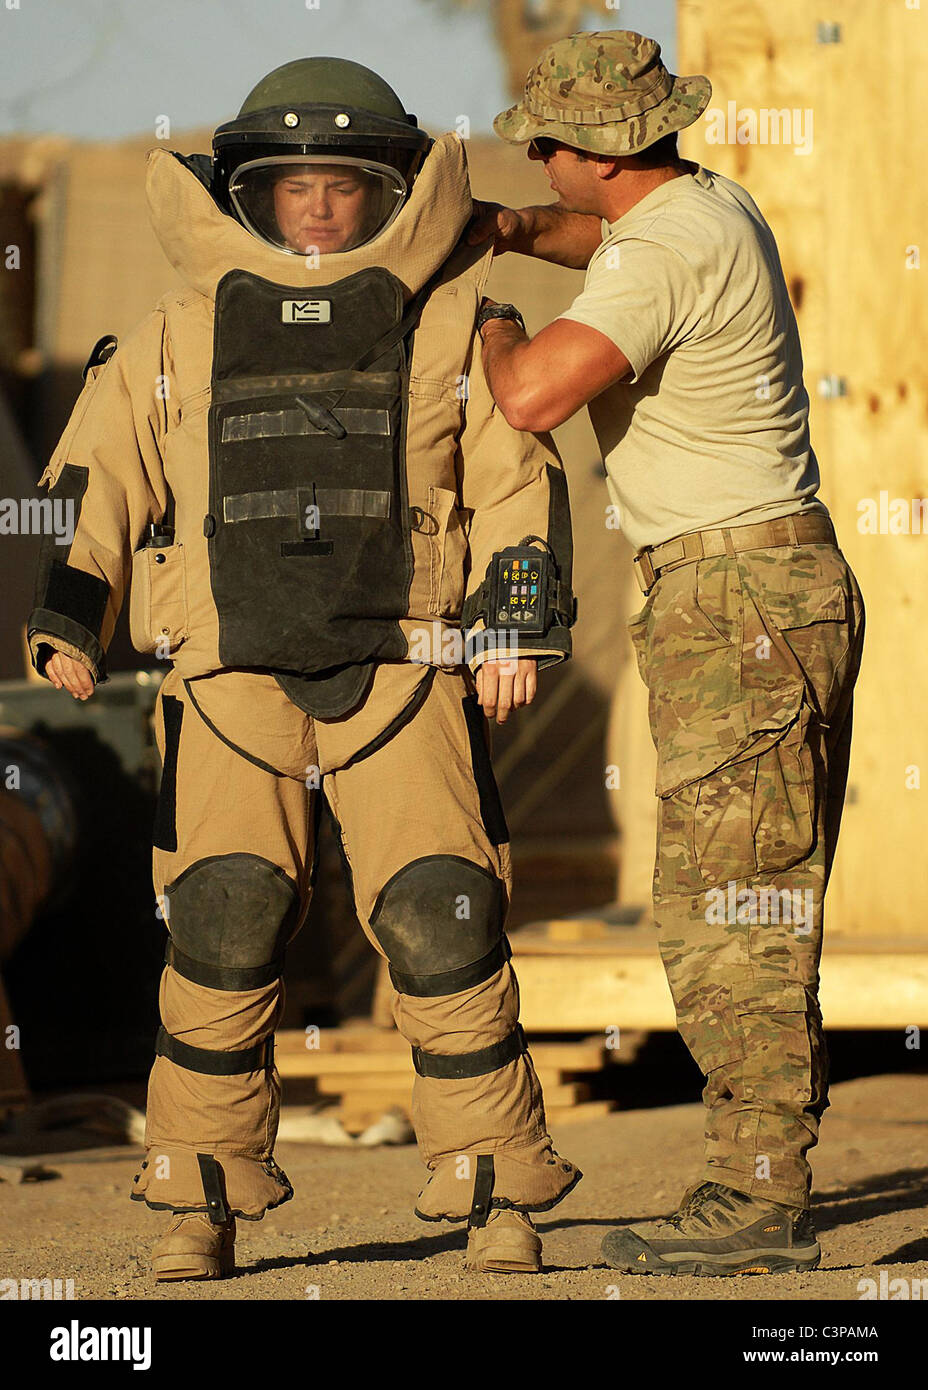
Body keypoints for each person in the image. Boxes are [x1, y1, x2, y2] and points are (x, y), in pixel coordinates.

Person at [27, 56, 581, 1280]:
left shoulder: (460, 318)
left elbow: (513, 488)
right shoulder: (173, 331)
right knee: (220, 921)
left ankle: (500, 1192)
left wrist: (515, 626)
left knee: (446, 917)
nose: (321, 208)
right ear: (251, 194)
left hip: (413, 669)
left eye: (346, 184)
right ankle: (197, 1203)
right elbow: (102, 484)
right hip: (228, 682)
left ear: (392, 188)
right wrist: (72, 615)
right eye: (296, 186)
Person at [470, 29, 865, 1276]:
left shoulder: (666, 252)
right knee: (753, 892)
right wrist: (520, 232)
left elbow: (531, 394)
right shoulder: (697, 206)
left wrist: (482, 318)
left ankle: (754, 1199)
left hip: (731, 594)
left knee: (730, 913)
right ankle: (762, 1173)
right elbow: (607, 243)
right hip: (759, 584)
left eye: (546, 145)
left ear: (591, 153)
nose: (534, 154)